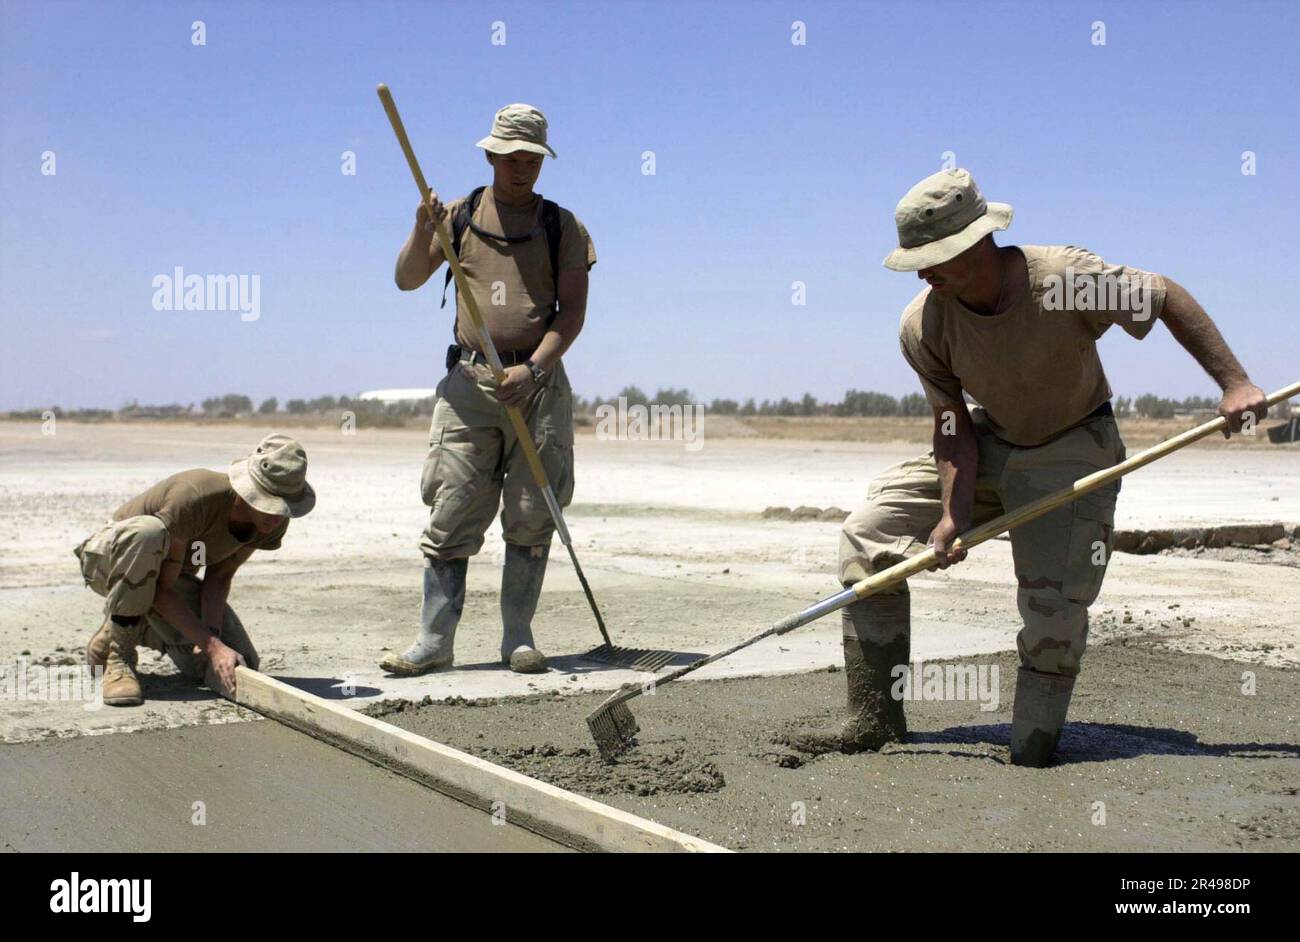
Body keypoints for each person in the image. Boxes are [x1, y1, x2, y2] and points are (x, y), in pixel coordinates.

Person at [796, 168, 1267, 766]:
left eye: (934, 256)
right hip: (991, 442)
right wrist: (952, 512)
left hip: (1074, 442)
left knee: (1051, 609)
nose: (922, 271)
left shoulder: (1065, 280)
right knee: (867, 536)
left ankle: (1035, 743)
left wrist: (1235, 383)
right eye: (915, 259)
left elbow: (1163, 295)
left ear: (976, 240)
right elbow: (951, 426)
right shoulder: (925, 322)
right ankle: (873, 717)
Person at [382, 103, 596, 676]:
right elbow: (406, 279)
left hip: (538, 387)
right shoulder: (457, 216)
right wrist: (422, 227)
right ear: (490, 154)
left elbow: (571, 314)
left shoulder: (564, 227)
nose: (521, 168)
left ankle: (517, 638)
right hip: (469, 389)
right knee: (452, 511)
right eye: (510, 157)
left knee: (531, 515)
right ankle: (433, 641)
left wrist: (536, 370)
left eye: (531, 158)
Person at [76, 434, 314, 705]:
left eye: (284, 508)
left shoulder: (271, 521)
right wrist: (213, 645)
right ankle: (120, 656)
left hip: (168, 577)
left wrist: (209, 639)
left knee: (237, 668)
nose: (277, 516)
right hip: (110, 561)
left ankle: (120, 626)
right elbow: (160, 589)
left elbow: (220, 575)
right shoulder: (196, 496)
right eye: (270, 505)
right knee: (149, 533)